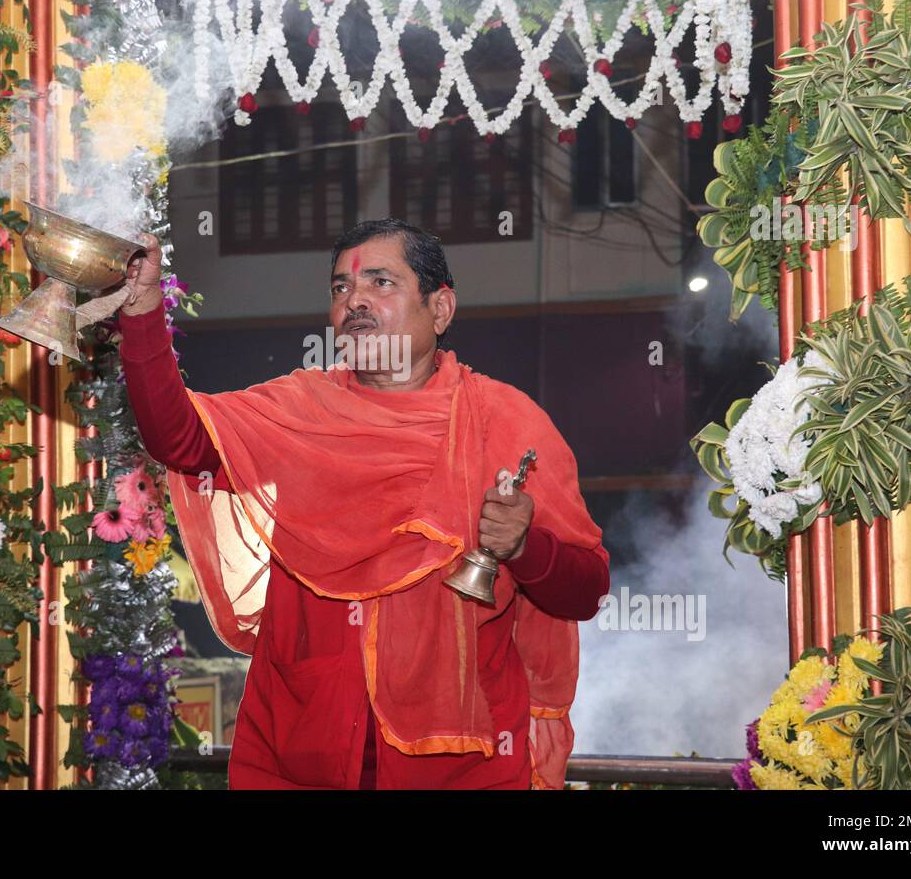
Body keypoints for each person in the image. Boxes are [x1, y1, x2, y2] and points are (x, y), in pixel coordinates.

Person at [111, 217, 609, 789]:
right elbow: (177, 438)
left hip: (462, 769)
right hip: (298, 757)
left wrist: (526, 547)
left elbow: (586, 588)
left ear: (440, 309)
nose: (355, 302)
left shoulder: (506, 422)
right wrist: (144, 309)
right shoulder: (300, 411)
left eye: (381, 284)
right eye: (341, 289)